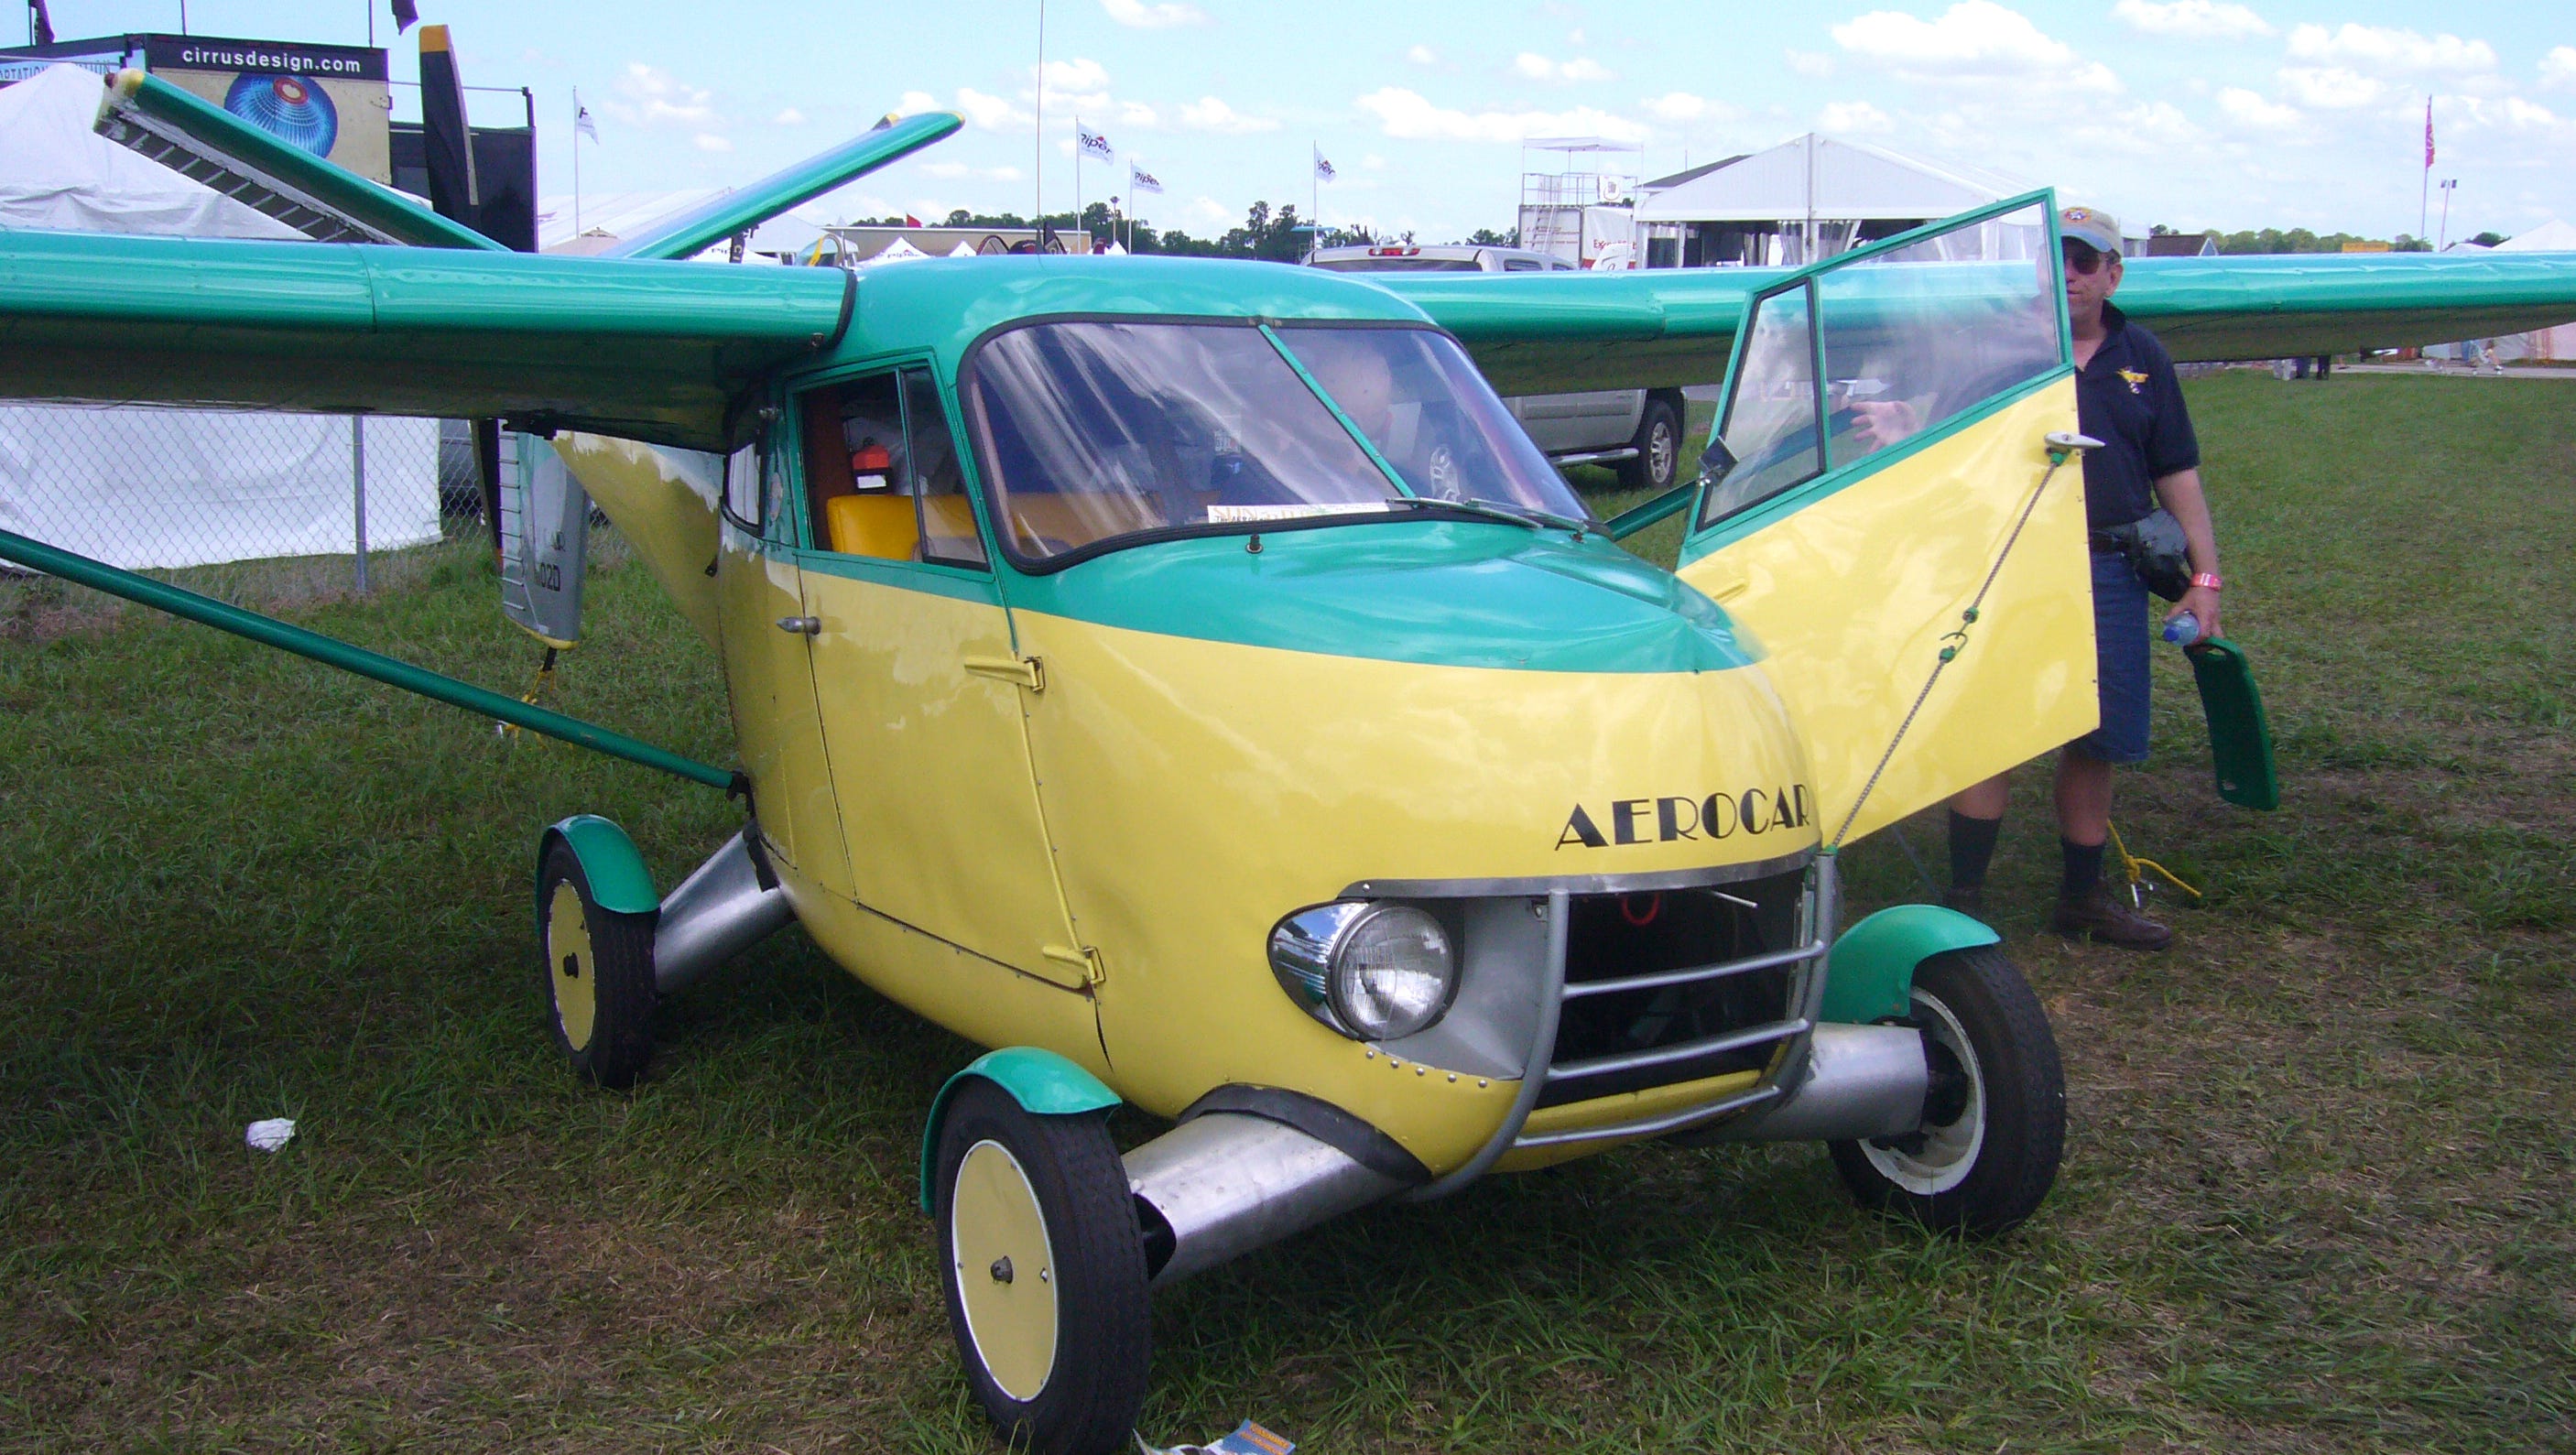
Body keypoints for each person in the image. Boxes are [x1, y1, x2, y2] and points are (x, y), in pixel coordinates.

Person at [1944, 205, 2224, 950]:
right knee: (1990, 731)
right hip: (2013, 564)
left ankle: (2081, 899)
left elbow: (2177, 471)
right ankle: (1962, 904)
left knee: (2098, 737)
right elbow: (1943, 442)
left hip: (2109, 567)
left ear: (2111, 274)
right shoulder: (2002, 350)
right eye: (2055, 260)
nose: (2068, 273)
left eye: (2084, 260)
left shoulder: (2143, 356)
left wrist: (2204, 580)